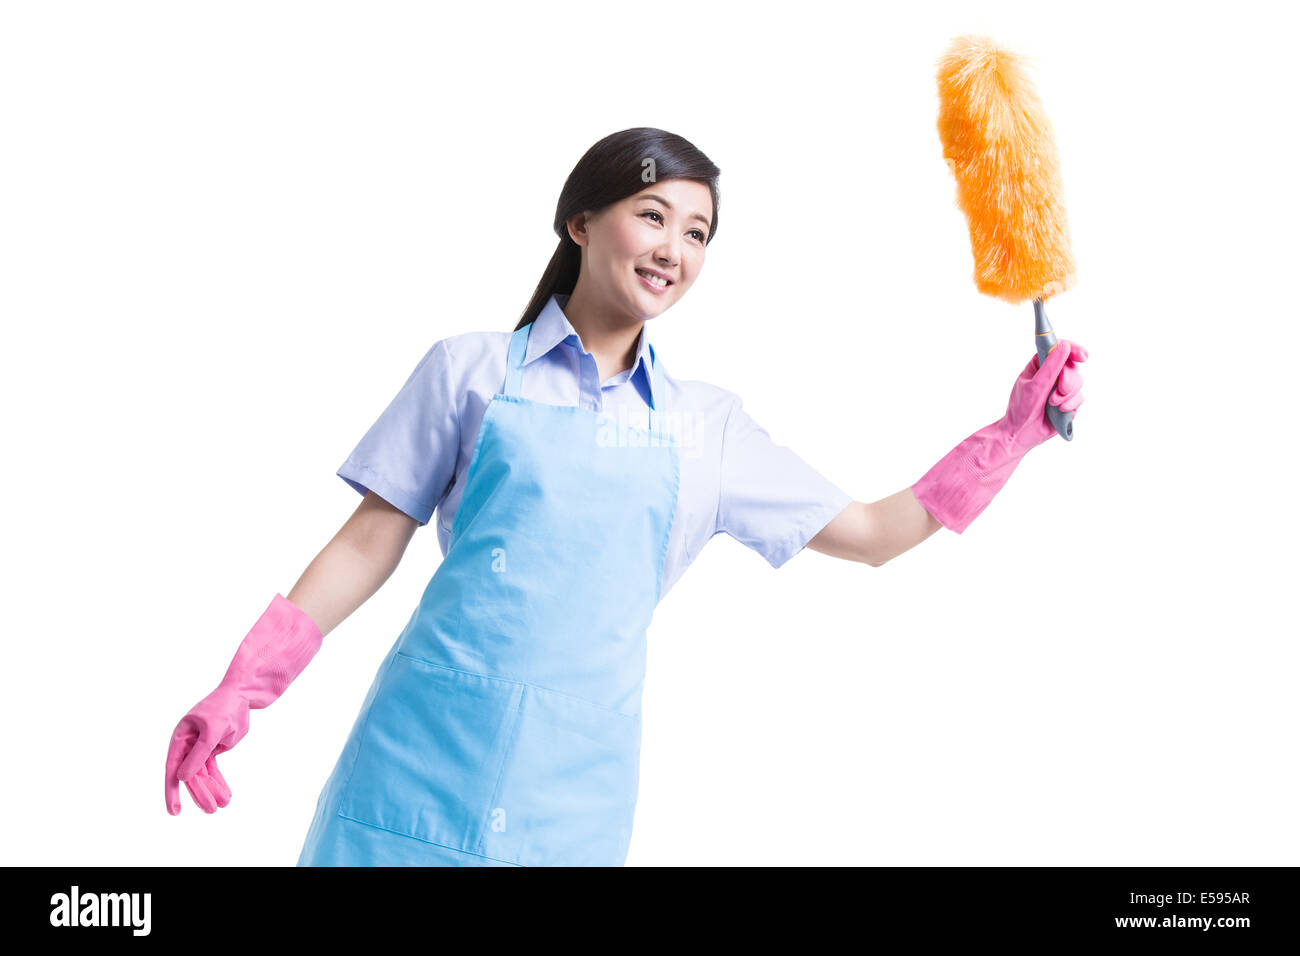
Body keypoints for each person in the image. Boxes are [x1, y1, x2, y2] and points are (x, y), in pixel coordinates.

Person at [163, 127, 1087, 866]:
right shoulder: (470, 370)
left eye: (697, 233)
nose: (674, 249)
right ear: (580, 223)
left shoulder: (707, 428)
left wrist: (1012, 434)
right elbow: (370, 540)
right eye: (654, 216)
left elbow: (877, 532)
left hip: (572, 800)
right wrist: (245, 684)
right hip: (413, 761)